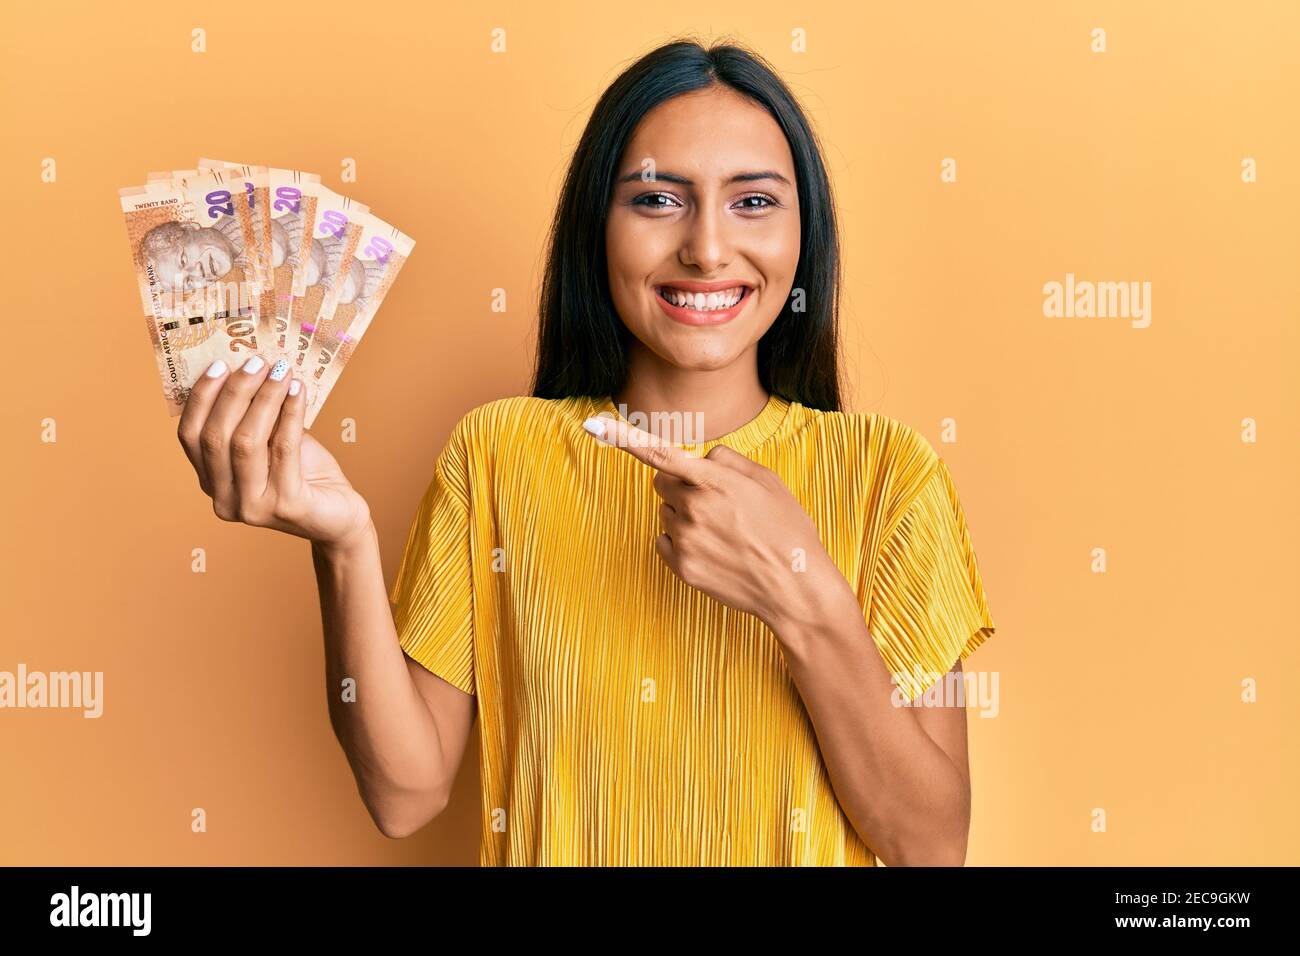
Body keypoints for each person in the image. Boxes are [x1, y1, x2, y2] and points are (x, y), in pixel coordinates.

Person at [175, 38, 996, 866]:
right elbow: (404, 793)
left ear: (803, 234)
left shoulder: (891, 475)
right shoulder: (496, 454)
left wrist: (799, 592)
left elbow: (931, 847)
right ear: (595, 231)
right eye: (656, 201)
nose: (708, 248)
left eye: (753, 202)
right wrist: (342, 541)